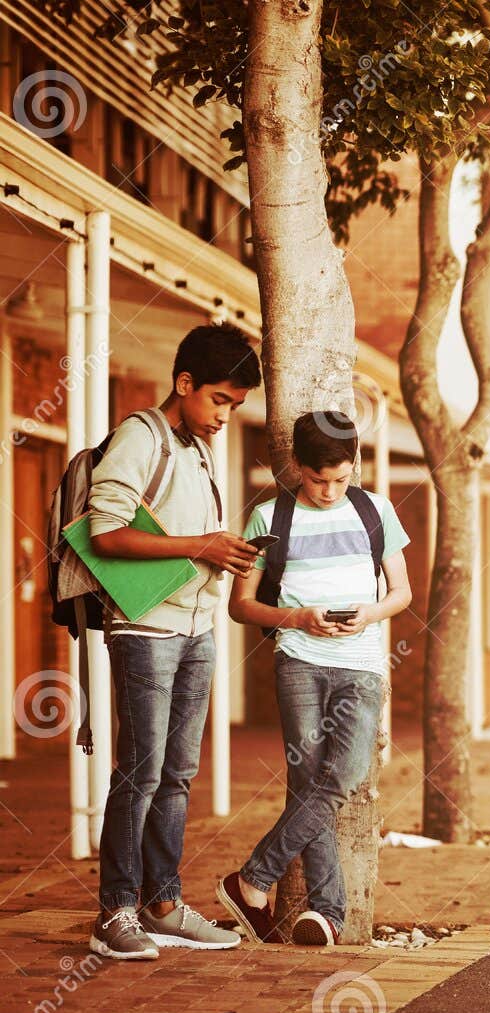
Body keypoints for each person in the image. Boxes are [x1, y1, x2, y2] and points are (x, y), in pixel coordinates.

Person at [87, 323, 261, 960]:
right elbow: (105, 532)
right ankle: (116, 912)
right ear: (184, 383)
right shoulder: (142, 437)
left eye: (236, 407)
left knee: (178, 775)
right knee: (139, 772)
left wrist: (225, 554)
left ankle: (163, 904)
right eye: (219, 399)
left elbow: (187, 536)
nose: (225, 415)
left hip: (197, 627)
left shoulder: (198, 449)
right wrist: (201, 545)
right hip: (145, 629)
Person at [218, 411, 412, 947]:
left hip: (363, 665)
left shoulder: (375, 510)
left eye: (341, 479)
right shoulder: (268, 516)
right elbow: (242, 606)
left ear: (355, 467)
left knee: (343, 775)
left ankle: (252, 879)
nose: (329, 491)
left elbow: (402, 593)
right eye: (317, 479)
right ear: (297, 467)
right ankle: (327, 914)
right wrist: (298, 618)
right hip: (298, 661)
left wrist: (369, 615)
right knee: (309, 783)